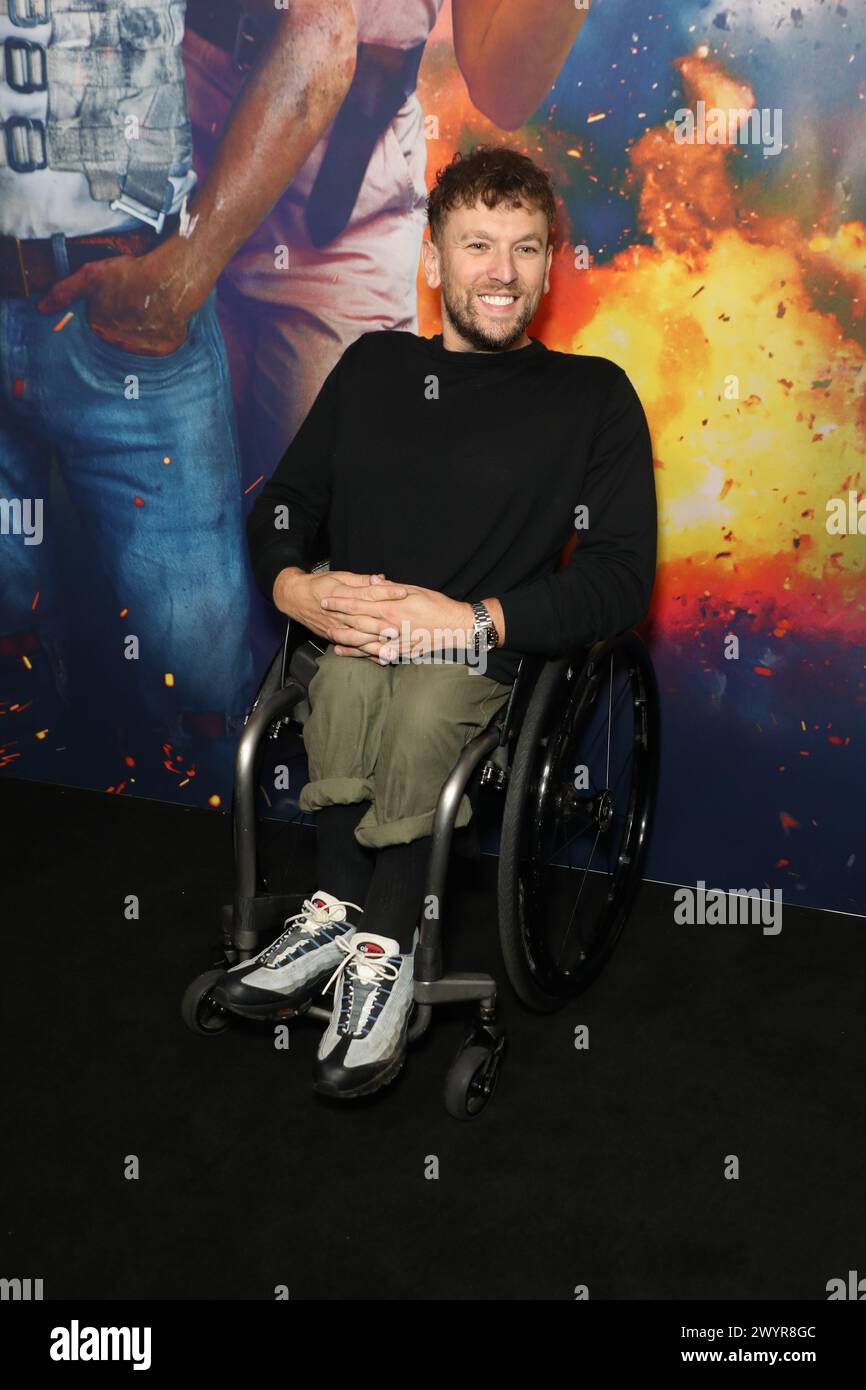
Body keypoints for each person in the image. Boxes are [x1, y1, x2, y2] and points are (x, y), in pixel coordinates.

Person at [214, 145, 658, 1102]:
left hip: (481, 657)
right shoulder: (375, 365)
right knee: (342, 681)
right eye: (478, 245)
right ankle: (334, 914)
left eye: (526, 248)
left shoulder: (592, 397)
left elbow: (621, 581)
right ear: (433, 258)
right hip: (355, 644)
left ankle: (381, 948)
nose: (502, 273)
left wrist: (473, 618)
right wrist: (292, 586)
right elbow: (285, 502)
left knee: (420, 706)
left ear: (550, 263)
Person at [0, 0, 355, 794]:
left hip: (121, 314)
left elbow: (323, 32)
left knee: (194, 695)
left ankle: (213, 897)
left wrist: (187, 267)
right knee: (9, 675)